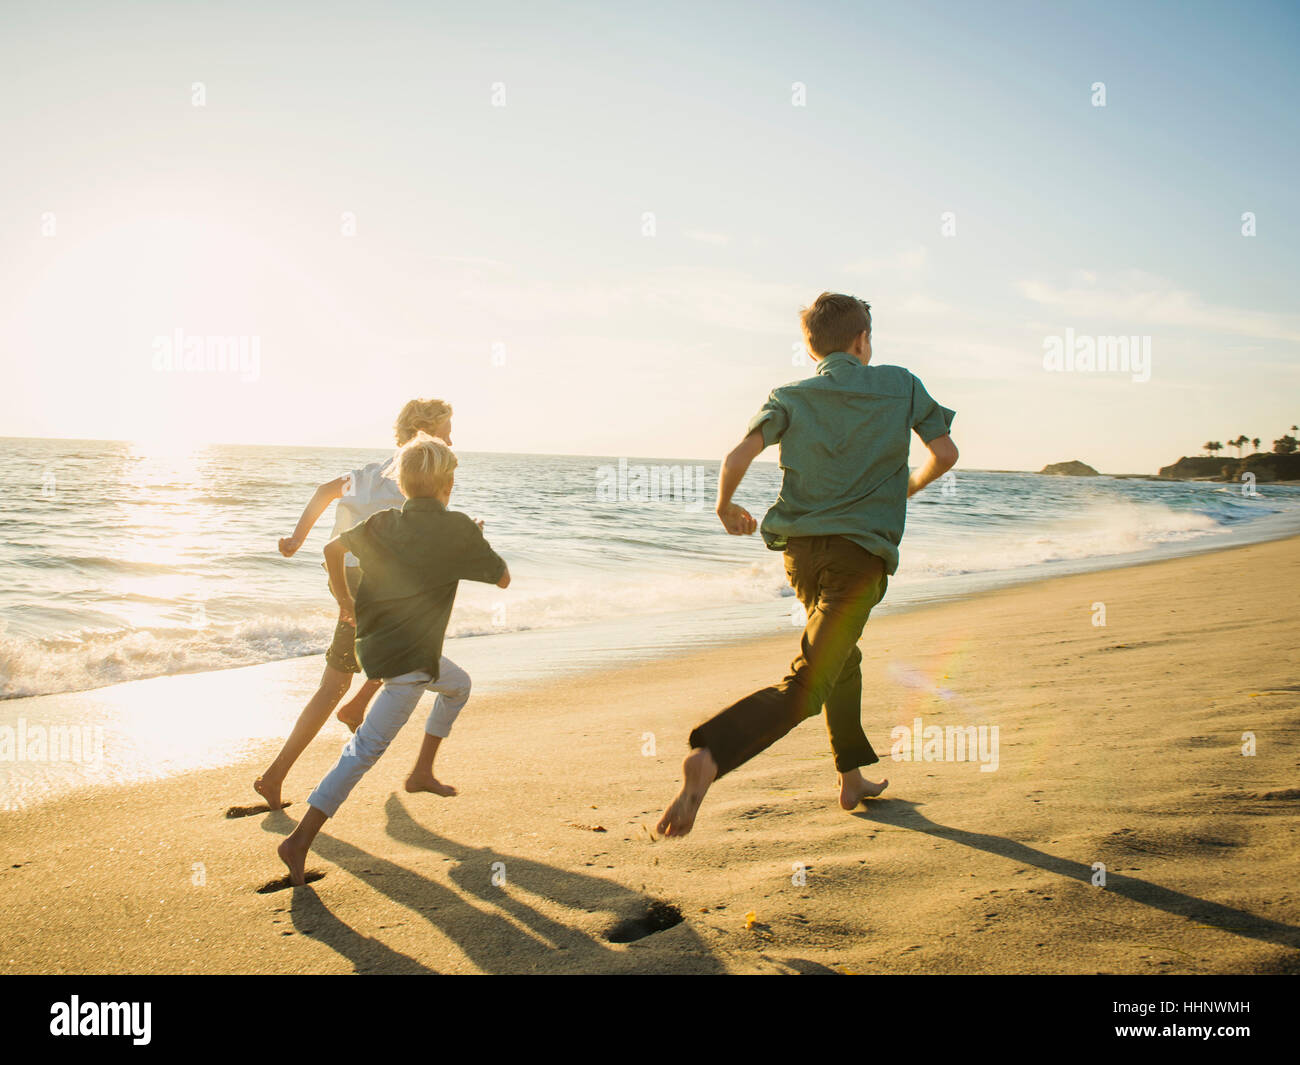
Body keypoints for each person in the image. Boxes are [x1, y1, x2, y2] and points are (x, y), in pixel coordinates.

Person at [657, 293, 958, 837]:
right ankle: (710, 756)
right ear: (862, 340)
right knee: (809, 682)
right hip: (858, 559)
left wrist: (726, 506)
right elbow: (946, 454)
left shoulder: (790, 394)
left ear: (811, 346)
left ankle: (851, 777)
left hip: (801, 556)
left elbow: (737, 457)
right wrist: (905, 489)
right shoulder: (901, 384)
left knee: (842, 658)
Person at [278, 433, 510, 885]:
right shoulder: (458, 527)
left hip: (379, 647)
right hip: (411, 663)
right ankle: (298, 841)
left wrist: (345, 600)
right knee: (364, 750)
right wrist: (473, 540)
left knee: (458, 687)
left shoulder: (384, 520)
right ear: (448, 487)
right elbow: (501, 578)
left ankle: (422, 770)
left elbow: (331, 550)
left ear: (402, 486)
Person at [254, 398, 454, 810]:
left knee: (345, 677)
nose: (452, 438)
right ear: (425, 433)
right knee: (404, 650)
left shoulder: (366, 475)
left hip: (344, 579)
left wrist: (295, 540)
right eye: (447, 430)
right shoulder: (421, 480)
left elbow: (324, 491)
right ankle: (344, 719)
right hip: (372, 586)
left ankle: (281, 770)